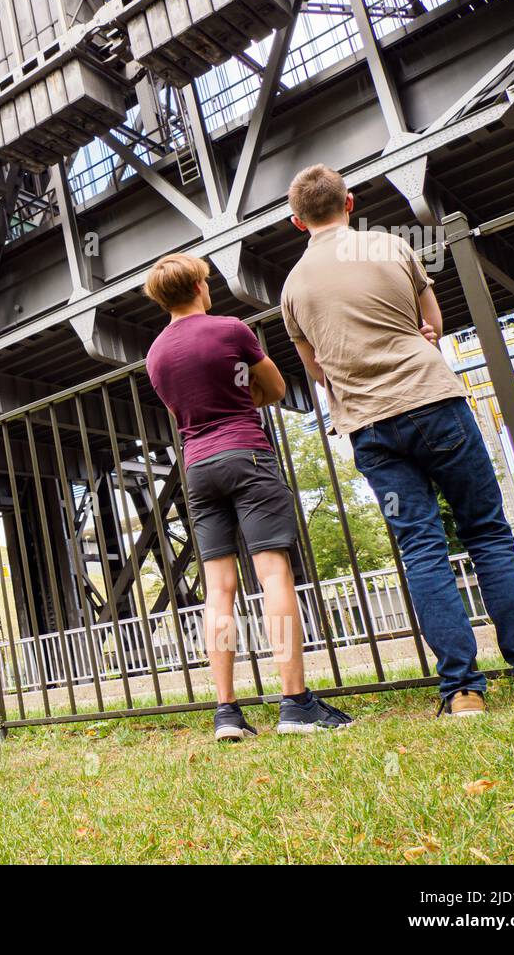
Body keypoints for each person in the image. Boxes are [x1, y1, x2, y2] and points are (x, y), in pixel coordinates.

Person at [280, 164, 514, 717]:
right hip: (434, 403)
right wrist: (416, 337)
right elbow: (432, 323)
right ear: (349, 202)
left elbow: (317, 371)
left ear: (298, 222)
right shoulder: (391, 246)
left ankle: (462, 692)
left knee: (421, 549)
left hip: (370, 426)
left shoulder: (293, 288)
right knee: (488, 533)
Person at [144, 252, 354, 740]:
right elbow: (277, 387)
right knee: (273, 573)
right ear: (199, 285)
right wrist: (245, 400)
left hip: (196, 467)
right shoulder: (231, 329)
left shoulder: (155, 355)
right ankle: (295, 703)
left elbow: (187, 407)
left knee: (218, 590)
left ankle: (226, 712)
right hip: (247, 455)